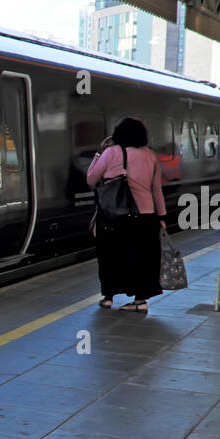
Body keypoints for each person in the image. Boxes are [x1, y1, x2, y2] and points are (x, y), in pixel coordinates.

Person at [86, 117, 166, 313]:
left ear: (118, 134)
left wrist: (99, 153)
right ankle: (140, 301)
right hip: (146, 216)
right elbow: (157, 189)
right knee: (142, 259)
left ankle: (108, 297)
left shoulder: (111, 152)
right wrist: (162, 216)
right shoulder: (150, 156)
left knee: (110, 256)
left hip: (115, 215)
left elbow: (91, 179)